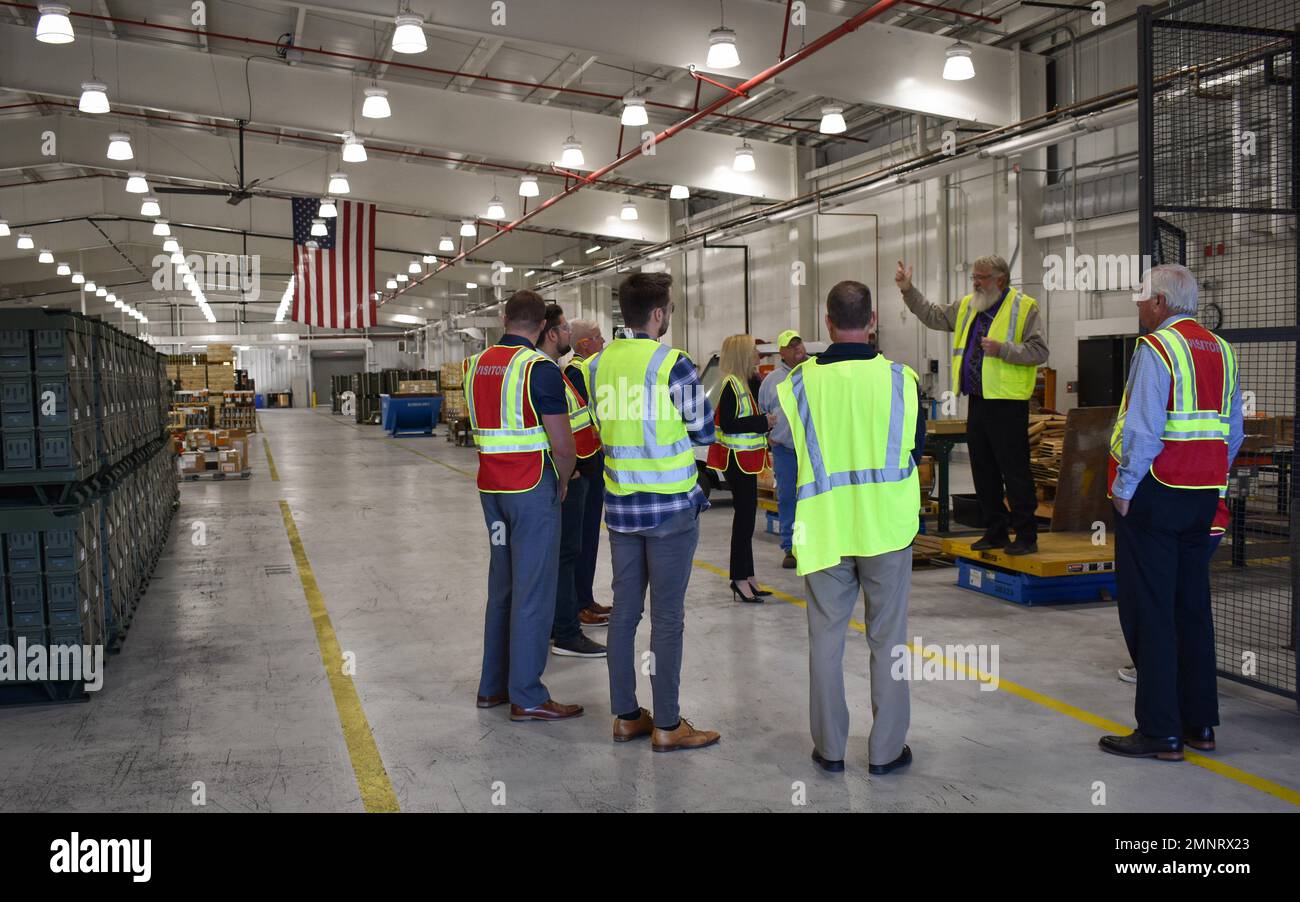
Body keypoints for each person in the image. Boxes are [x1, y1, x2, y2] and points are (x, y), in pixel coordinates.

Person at [778, 280, 926, 776]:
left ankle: (831, 749)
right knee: (888, 640)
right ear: (874, 320)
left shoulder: (798, 383)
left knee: (826, 639)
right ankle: (886, 753)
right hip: (887, 527)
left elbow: (795, 450)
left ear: (826, 322)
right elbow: (915, 449)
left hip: (824, 529)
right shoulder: (902, 380)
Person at [1100, 264, 1243, 761]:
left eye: (1142, 298)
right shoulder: (1222, 351)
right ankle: (1200, 723)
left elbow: (1142, 427)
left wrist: (1124, 487)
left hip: (1156, 494)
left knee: (1151, 611)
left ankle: (1160, 731)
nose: (1138, 306)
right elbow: (1233, 433)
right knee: (1191, 608)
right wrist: (1209, 474)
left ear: (1160, 303)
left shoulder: (1156, 349)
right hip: (1202, 496)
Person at [582, 272, 721, 753]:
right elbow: (704, 430)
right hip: (670, 510)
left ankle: (625, 716)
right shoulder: (672, 364)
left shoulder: (597, 365)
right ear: (658, 314)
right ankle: (667, 723)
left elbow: (602, 425)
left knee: (624, 613)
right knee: (667, 619)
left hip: (621, 508)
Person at [464, 290, 583, 722]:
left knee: (503, 587)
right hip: (531, 490)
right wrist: (565, 479)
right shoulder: (540, 369)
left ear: (503, 317)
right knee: (534, 590)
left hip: (490, 490)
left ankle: (492, 687)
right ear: (542, 326)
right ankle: (528, 694)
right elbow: (563, 445)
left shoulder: (475, 365)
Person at [896, 255, 1047, 555]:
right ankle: (996, 532)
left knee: (1014, 472)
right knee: (983, 470)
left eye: (982, 277)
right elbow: (934, 315)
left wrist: (1003, 349)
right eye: (974, 277)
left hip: (1008, 404)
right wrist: (907, 289)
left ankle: (1027, 536)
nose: (976, 282)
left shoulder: (1024, 307)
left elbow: (1039, 351)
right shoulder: (968, 306)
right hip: (978, 402)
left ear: (1000, 281)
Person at [537, 304, 608, 660]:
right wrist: (570, 469)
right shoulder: (547, 371)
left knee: (569, 551)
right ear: (553, 334)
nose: (569, 335)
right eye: (565, 330)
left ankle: (560, 624)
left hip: (576, 470)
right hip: (569, 474)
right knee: (566, 553)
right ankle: (566, 631)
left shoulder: (552, 370)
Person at [707, 334, 776, 603]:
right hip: (737, 461)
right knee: (743, 521)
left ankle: (747, 577)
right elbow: (730, 425)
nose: (758, 355)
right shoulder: (731, 386)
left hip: (746, 459)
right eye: (753, 351)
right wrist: (763, 422)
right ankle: (738, 578)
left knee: (747, 519)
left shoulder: (746, 383)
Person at [566, 319, 612, 620]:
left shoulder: (590, 370)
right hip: (586, 462)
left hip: (595, 460)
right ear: (584, 344)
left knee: (591, 536)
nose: (604, 341)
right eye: (597, 337)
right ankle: (579, 602)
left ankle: (586, 596)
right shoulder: (577, 372)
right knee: (581, 539)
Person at [758, 330, 808, 570]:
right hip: (785, 451)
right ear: (783, 352)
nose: (799, 349)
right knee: (788, 498)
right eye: (792, 346)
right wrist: (770, 436)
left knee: (813, 498)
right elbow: (763, 411)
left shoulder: (815, 373)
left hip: (812, 452)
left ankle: (810, 545)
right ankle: (791, 548)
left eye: (799, 344)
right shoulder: (772, 381)